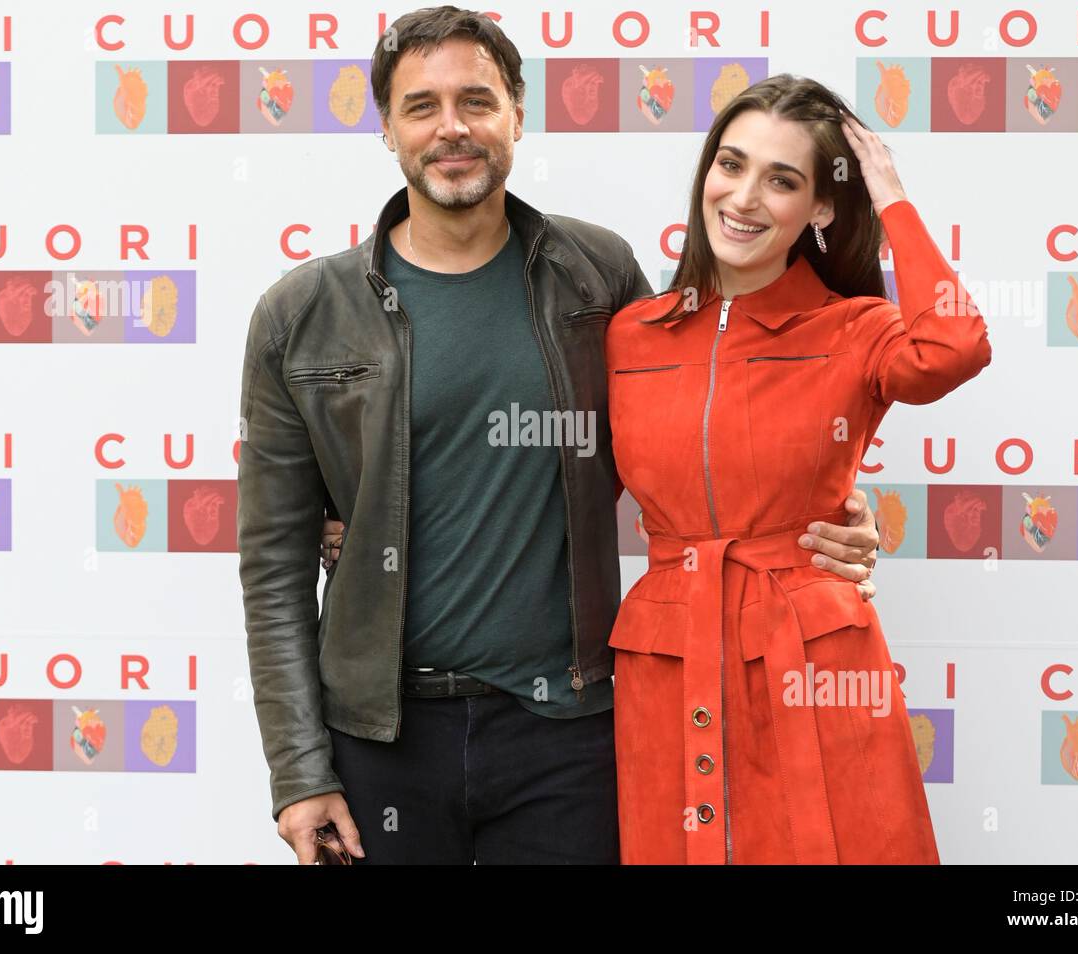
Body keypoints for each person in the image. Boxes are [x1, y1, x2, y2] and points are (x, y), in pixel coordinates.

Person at [240, 6, 880, 866]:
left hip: (568, 735)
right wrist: (297, 771)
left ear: (517, 115)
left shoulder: (597, 275)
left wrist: (825, 514)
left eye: (477, 99)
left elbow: (704, 427)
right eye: (422, 106)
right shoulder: (303, 315)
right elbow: (274, 567)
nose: (453, 127)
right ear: (387, 127)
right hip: (379, 739)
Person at [603, 74, 993, 864]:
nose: (743, 197)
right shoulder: (632, 333)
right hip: (667, 654)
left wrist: (890, 198)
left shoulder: (856, 329)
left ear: (821, 208)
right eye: (730, 165)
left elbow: (955, 348)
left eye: (781, 180)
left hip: (814, 657)